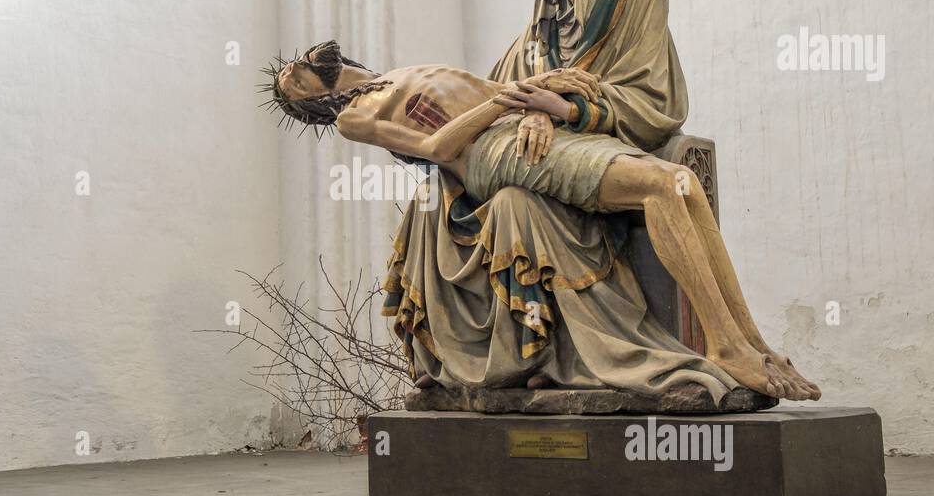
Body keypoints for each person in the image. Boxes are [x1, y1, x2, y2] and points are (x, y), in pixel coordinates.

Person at [263, 38, 817, 403]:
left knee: (682, 182)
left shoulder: (399, 72)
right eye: (291, 82)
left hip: (515, 129)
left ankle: (750, 339)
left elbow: (493, 97)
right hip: (488, 155)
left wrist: (537, 103)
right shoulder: (356, 115)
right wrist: (511, 101)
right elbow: (436, 144)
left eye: (293, 65)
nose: (296, 67)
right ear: (311, 106)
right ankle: (721, 345)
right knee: (658, 186)